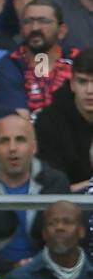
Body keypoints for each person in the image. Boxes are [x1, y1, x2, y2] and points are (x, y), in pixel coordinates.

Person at [0, 114, 71, 270]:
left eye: (20, 140)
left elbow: (67, 242)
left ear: (34, 147)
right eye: (4, 141)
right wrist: (11, 267)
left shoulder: (56, 183)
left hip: (47, 272)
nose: (12, 148)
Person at [0, 0, 78, 117]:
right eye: (28, 21)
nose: (35, 28)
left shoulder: (78, 60)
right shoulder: (10, 64)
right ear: (21, 29)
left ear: (61, 31)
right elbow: (17, 120)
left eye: (44, 21)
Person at [35, 50, 93, 188]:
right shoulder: (49, 122)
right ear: (72, 84)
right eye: (82, 82)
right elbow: (53, 190)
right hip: (66, 206)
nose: (90, 90)